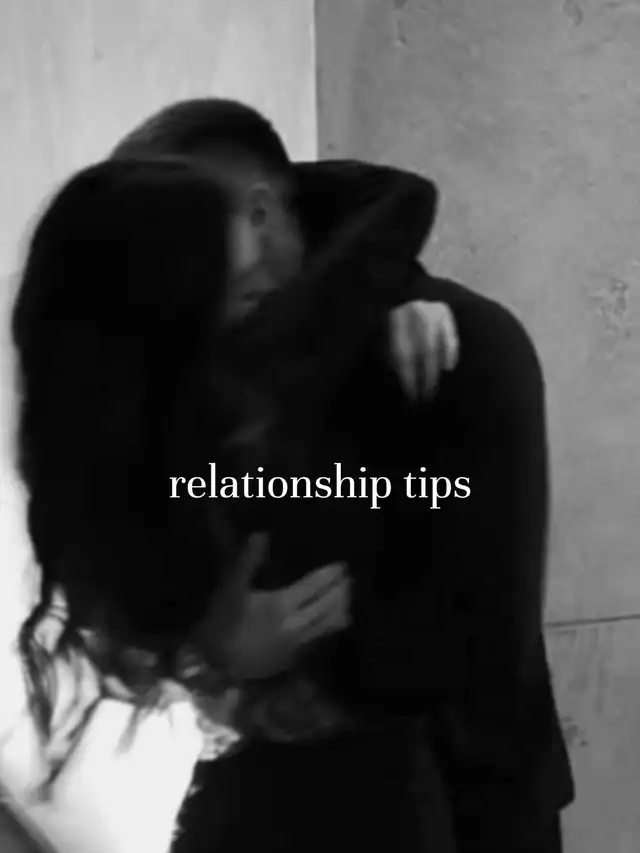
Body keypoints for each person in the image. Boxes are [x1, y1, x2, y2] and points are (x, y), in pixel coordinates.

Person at [111, 98, 575, 853]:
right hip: (272, 793)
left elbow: (483, 631)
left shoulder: (461, 346)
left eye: (175, 250)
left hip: (471, 802)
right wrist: (213, 648)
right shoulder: (198, 367)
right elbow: (141, 569)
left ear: (258, 213)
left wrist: (247, 674)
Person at [9, 153, 455, 851]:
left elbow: (397, 197)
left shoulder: (263, 371)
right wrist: (214, 656)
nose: (271, 280)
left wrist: (396, 297)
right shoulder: (114, 462)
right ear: (164, 311)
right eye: (239, 279)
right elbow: (117, 651)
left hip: (365, 782)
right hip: (268, 801)